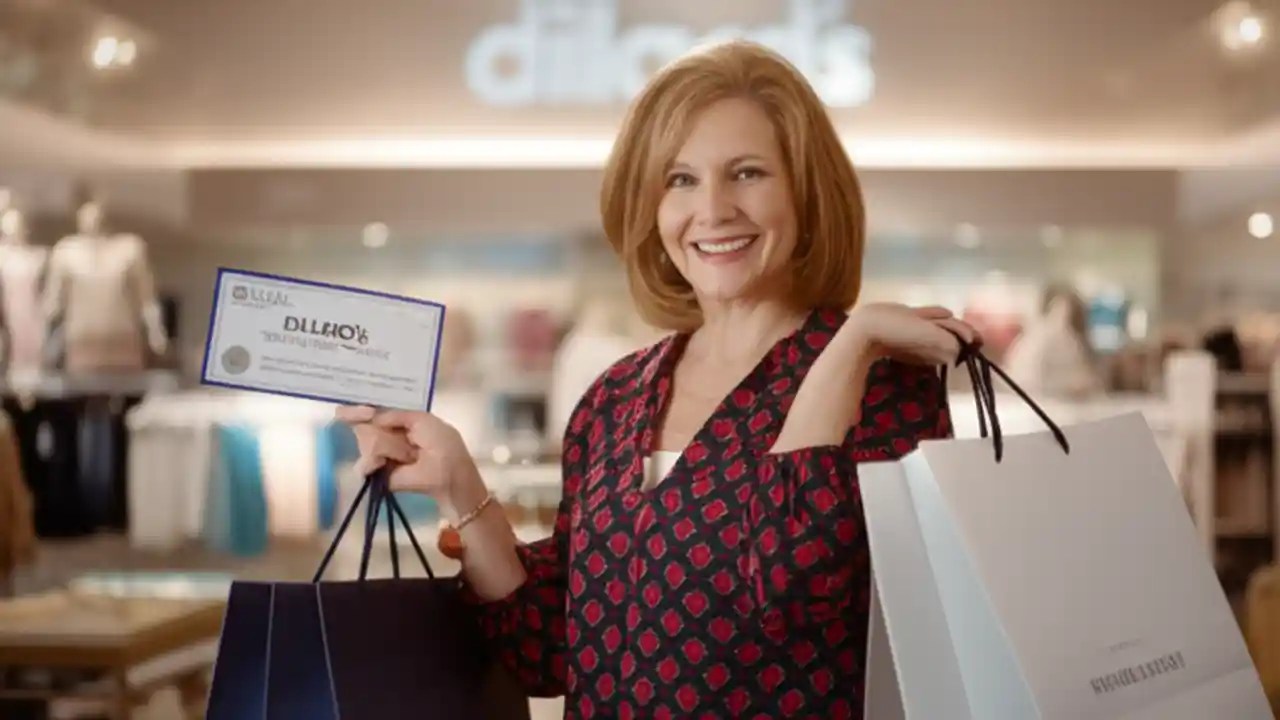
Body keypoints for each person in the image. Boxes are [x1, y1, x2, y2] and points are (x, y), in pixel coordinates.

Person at [338, 40, 979, 719]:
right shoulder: (616, 398)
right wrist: (456, 483)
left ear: (807, 192)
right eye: (680, 180)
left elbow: (793, 590)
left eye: (748, 173)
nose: (714, 209)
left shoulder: (883, 389)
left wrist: (847, 351)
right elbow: (549, 653)